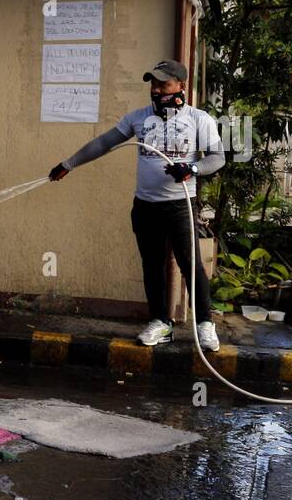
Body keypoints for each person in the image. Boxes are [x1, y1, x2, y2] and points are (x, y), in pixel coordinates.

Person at [48, 59, 224, 351]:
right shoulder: (138, 118)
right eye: (153, 84)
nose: (157, 90)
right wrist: (69, 164)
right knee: (152, 265)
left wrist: (191, 169)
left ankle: (204, 323)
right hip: (146, 206)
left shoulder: (199, 119)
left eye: (164, 84)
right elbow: (104, 143)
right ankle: (161, 322)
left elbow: (217, 158)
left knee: (190, 264)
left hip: (180, 204)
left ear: (181, 86)